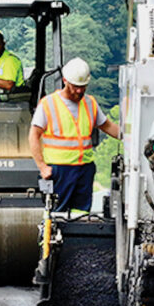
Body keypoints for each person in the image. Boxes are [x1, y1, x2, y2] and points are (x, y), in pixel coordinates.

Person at [28, 58, 120, 213]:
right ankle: (55, 238)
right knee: (57, 214)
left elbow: (108, 126)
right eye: (75, 87)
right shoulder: (48, 104)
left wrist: (131, 137)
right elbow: (33, 136)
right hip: (59, 171)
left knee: (82, 213)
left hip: (84, 169)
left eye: (83, 87)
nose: (79, 91)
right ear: (65, 81)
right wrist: (42, 167)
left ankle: (78, 237)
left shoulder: (90, 103)